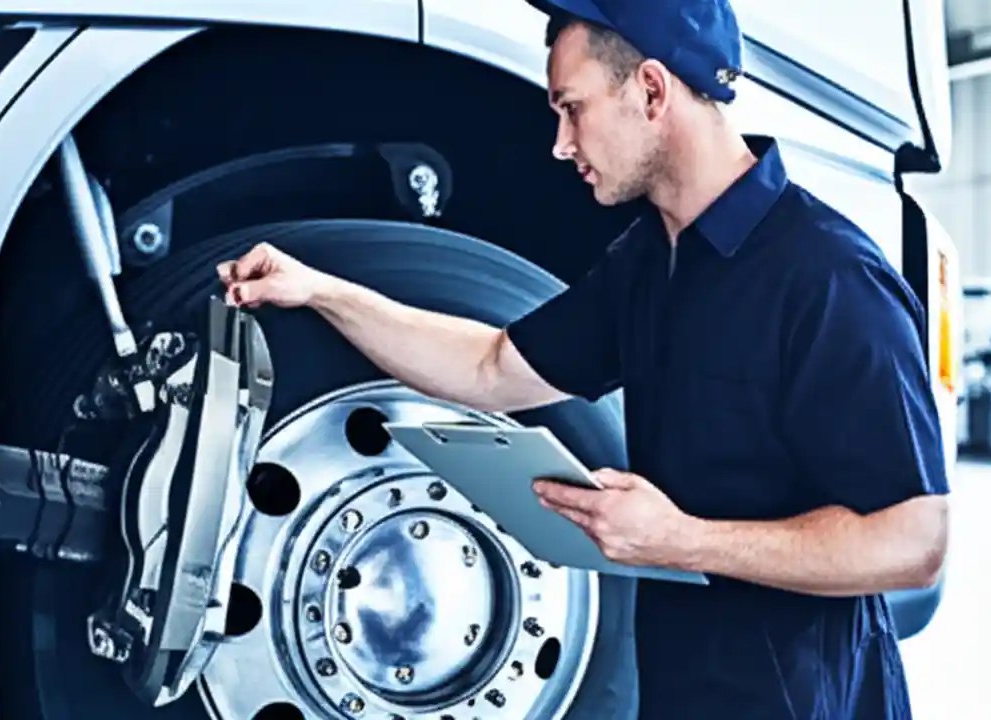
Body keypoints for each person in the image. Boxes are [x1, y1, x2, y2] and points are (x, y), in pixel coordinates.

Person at [216, 0, 950, 717]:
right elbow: (492, 367)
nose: (561, 144)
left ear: (651, 91)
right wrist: (320, 291)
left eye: (573, 109)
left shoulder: (828, 276)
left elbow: (913, 542)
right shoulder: (653, 260)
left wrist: (680, 540)